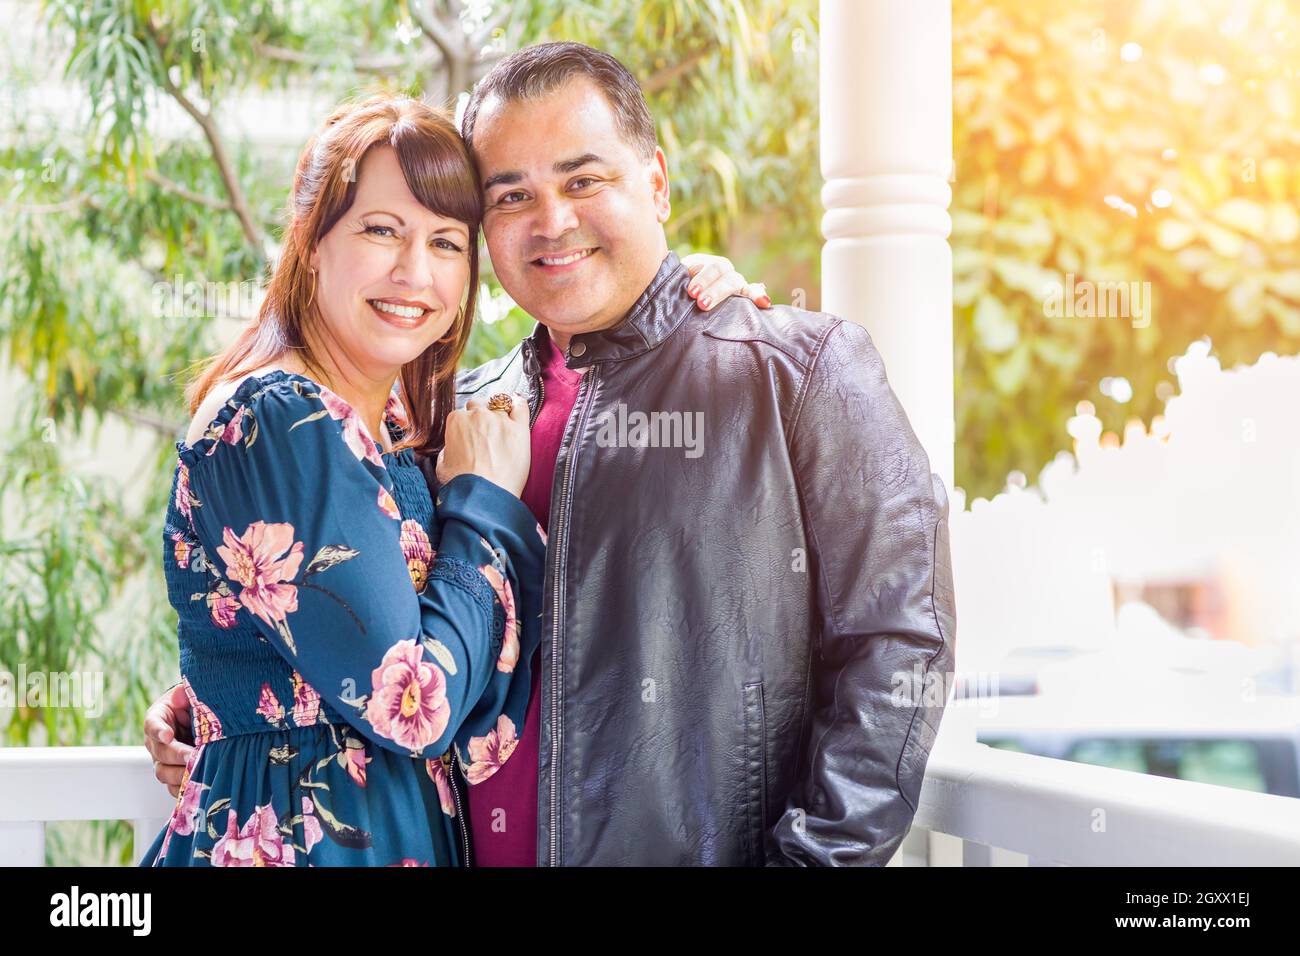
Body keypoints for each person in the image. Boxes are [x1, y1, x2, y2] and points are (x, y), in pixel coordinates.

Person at [150, 40, 954, 867]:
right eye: (511, 196)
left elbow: (899, 650)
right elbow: (375, 619)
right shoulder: (460, 417)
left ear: (657, 183)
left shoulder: (795, 375)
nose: (553, 221)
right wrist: (213, 695)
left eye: (583, 181)